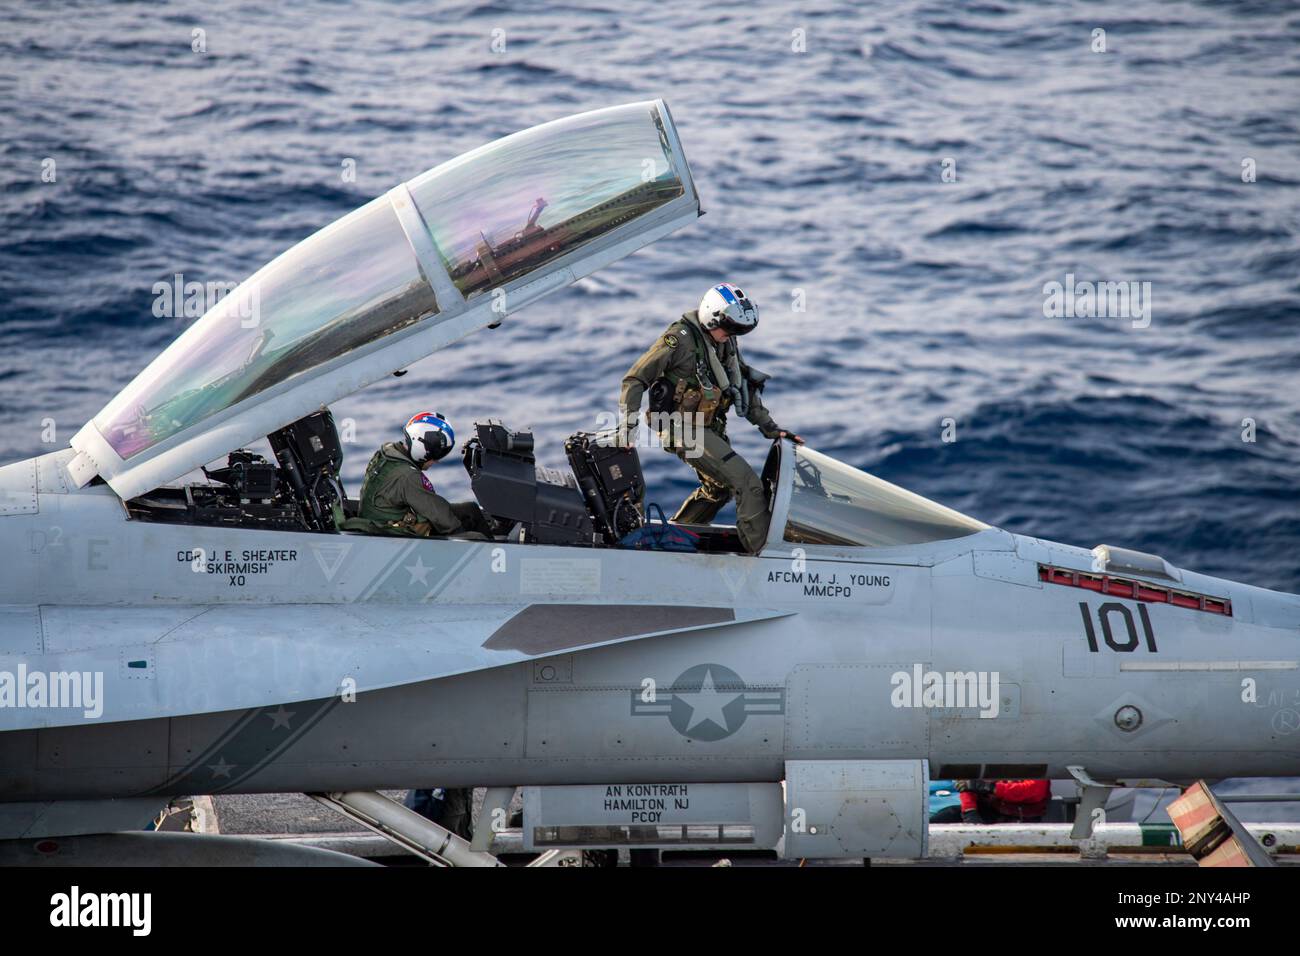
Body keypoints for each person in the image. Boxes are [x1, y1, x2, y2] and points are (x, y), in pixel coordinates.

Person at [618, 283, 802, 553]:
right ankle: (765, 557)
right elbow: (634, 379)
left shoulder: (724, 343)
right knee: (747, 484)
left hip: (707, 427)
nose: (730, 336)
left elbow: (741, 385)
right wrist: (627, 428)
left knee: (719, 489)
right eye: (727, 329)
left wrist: (771, 429)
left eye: (735, 331)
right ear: (710, 317)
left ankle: (669, 540)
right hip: (681, 428)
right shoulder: (678, 339)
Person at [345, 412, 493, 538]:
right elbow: (441, 516)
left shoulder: (387, 453)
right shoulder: (408, 476)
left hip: (380, 523)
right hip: (390, 535)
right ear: (422, 450)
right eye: (436, 455)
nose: (436, 461)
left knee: (471, 510)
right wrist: (465, 539)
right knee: (477, 539)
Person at [941, 778, 1052, 824]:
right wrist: (970, 811)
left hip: (1024, 817)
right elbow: (966, 785)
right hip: (988, 811)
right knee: (945, 817)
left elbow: (1035, 791)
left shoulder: (1035, 756)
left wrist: (991, 787)